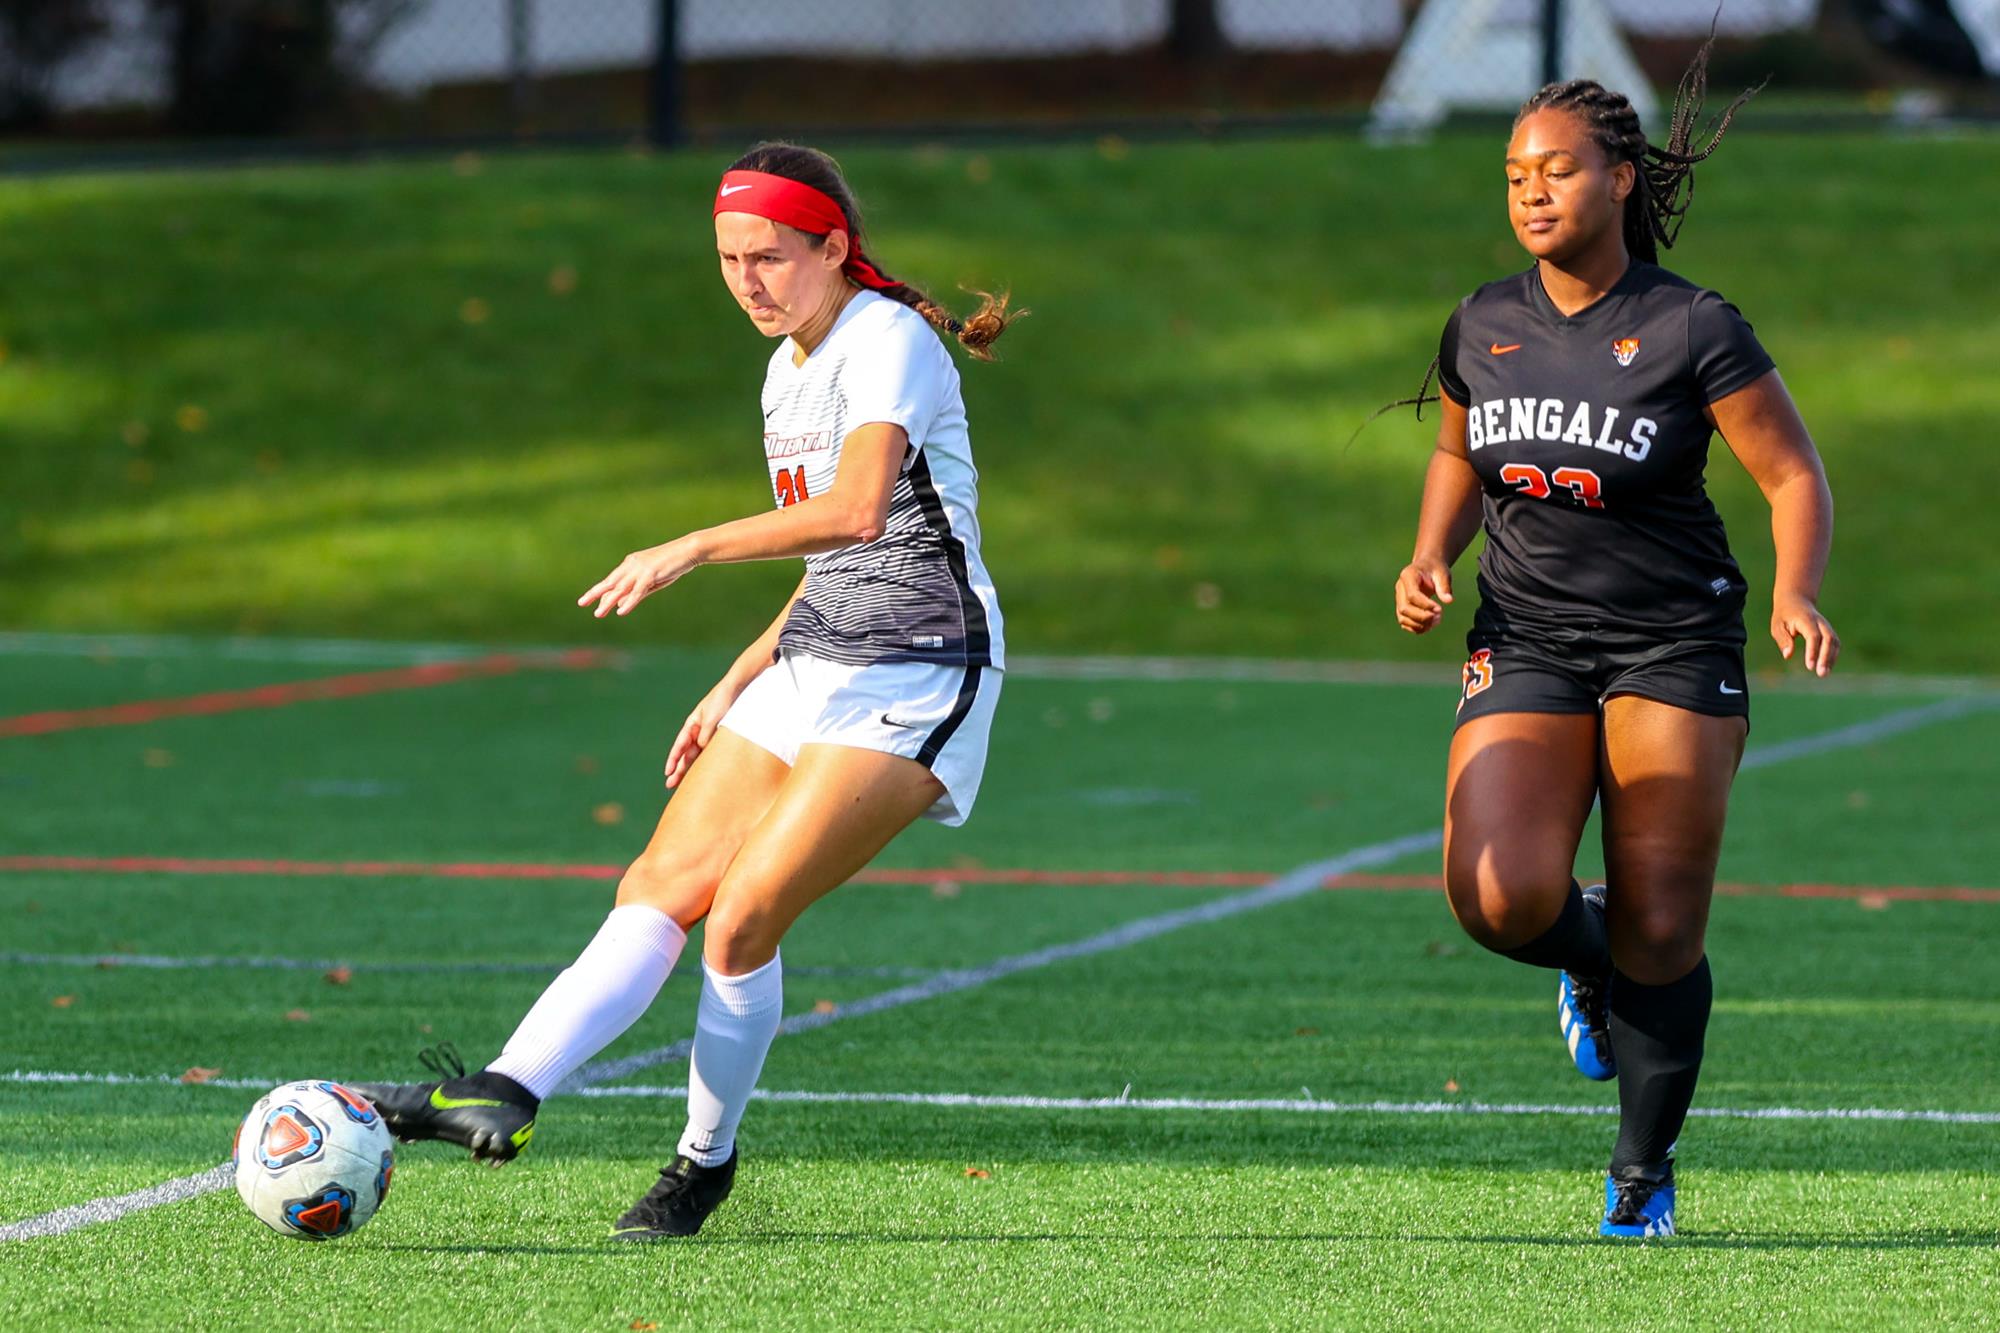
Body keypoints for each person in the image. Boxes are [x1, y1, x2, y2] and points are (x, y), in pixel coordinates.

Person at [357, 142, 1016, 1240]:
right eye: (726, 258)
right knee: (659, 882)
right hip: (814, 656)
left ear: (834, 247)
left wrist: (692, 545)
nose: (748, 280)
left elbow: (859, 511)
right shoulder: (783, 370)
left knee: (743, 916)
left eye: (769, 256)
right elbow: (830, 562)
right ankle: (505, 1087)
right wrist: (742, 672)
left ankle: (701, 1162)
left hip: (919, 662)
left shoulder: (888, 339)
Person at [1390, 49, 1838, 1238]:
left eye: (1555, 169)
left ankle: (1640, 1172)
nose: (1530, 190)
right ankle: (1580, 962)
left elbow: (1790, 471)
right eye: (1511, 174)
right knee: (1494, 894)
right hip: (1526, 634)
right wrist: (1431, 551)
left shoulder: (1691, 325)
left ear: (1621, 179)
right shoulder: (1482, 322)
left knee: (1660, 920)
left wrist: (1795, 590)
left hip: (1672, 642)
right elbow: (1453, 451)